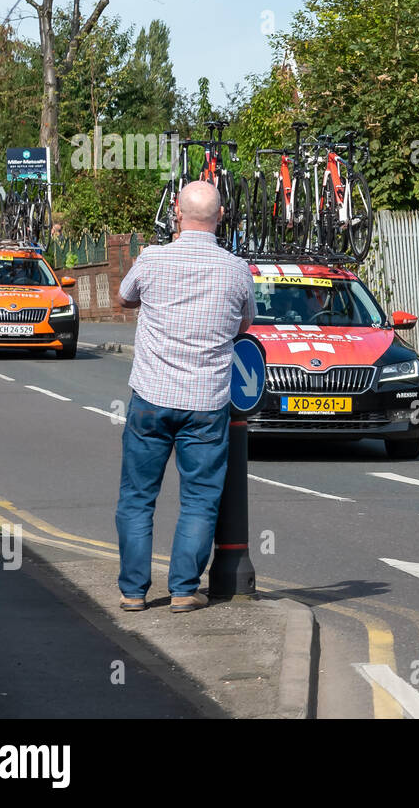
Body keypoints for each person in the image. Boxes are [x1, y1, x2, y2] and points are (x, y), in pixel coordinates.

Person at [115, 181, 256, 613]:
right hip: (206, 404)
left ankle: (134, 592)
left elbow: (123, 298)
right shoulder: (236, 269)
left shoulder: (153, 259)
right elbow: (245, 324)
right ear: (221, 215)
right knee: (199, 499)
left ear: (177, 211)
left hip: (151, 397)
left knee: (138, 497)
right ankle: (182, 590)